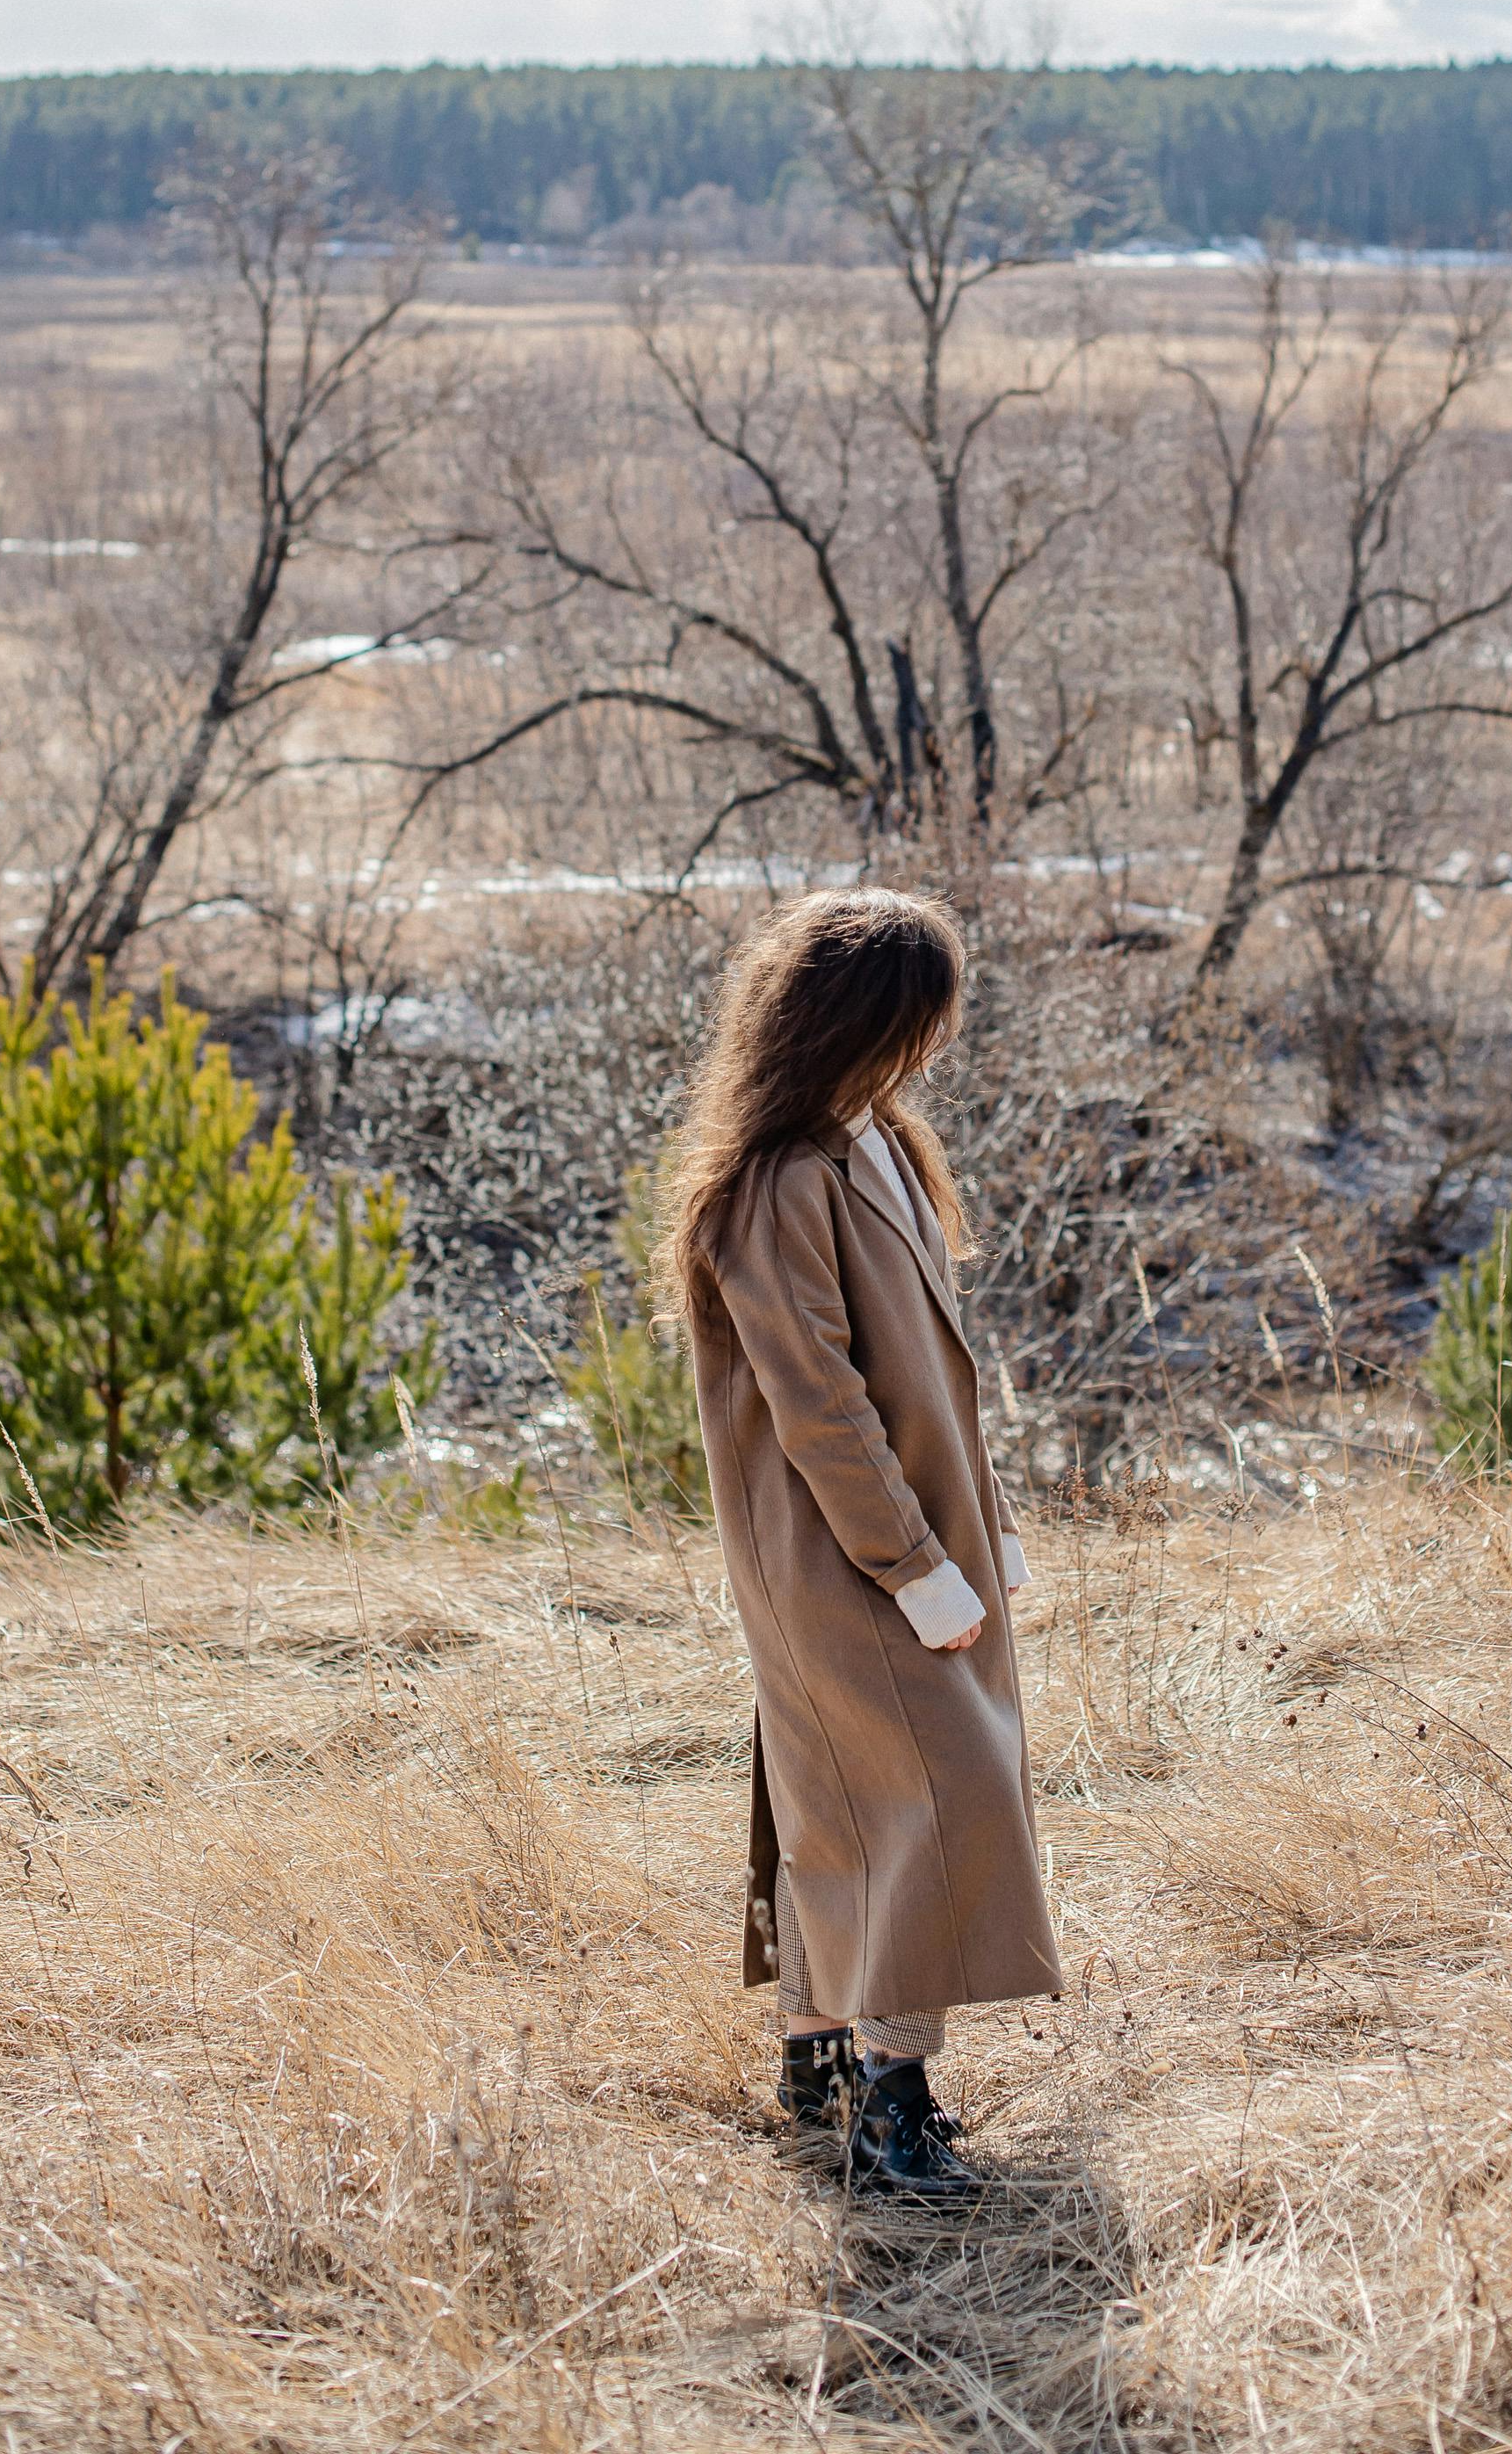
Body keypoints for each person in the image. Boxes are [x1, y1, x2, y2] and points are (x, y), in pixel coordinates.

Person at [660, 887, 1060, 2202]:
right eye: (920, 1017)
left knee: (843, 1798)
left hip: (913, 1538)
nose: (935, 1045)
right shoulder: (776, 1185)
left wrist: (984, 1532)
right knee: (943, 1801)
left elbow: (937, 1372)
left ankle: (816, 2063)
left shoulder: (878, 1141)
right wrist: (917, 1569)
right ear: (856, 1019)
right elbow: (820, 1405)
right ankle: (892, 2108)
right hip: (845, 1558)